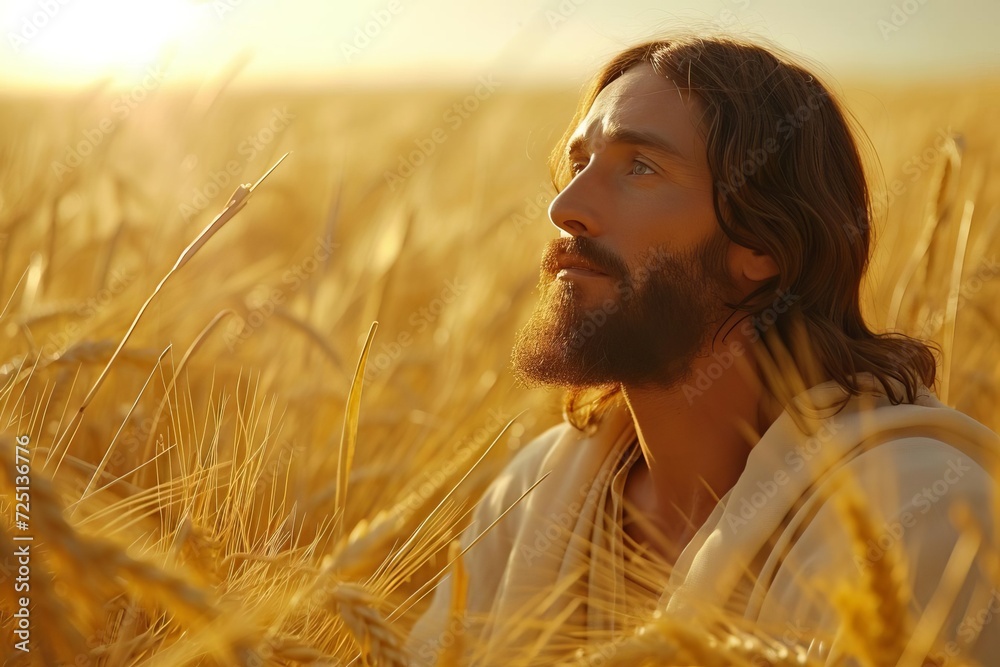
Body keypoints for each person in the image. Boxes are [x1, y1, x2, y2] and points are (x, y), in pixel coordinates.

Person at [405, 33, 1000, 665]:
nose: (565, 207)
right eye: (579, 164)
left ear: (764, 244)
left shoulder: (924, 511)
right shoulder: (533, 493)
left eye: (640, 167)